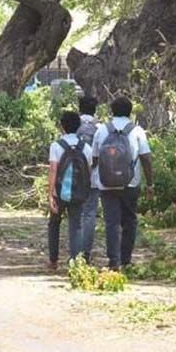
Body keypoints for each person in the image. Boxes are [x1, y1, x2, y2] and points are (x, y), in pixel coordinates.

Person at [90, 96, 153, 270]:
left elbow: (94, 158)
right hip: (130, 183)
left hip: (106, 183)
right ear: (130, 111)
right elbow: (146, 158)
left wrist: (90, 179)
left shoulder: (102, 130)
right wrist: (150, 183)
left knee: (111, 222)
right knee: (130, 221)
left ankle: (113, 261)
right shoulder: (137, 131)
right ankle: (126, 259)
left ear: (112, 111)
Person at [47, 111, 94, 271]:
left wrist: (50, 193)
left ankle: (53, 260)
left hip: (60, 192)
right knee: (76, 226)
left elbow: (53, 170)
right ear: (79, 127)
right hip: (79, 193)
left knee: (54, 223)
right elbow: (88, 171)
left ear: (62, 126)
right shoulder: (86, 147)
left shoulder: (56, 146)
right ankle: (75, 261)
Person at [74, 95, 101, 264]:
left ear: (80, 108)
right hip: (94, 176)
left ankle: (75, 251)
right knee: (90, 214)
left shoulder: (73, 125)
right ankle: (86, 252)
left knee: (76, 213)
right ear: (95, 109)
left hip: (75, 176)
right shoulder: (99, 127)